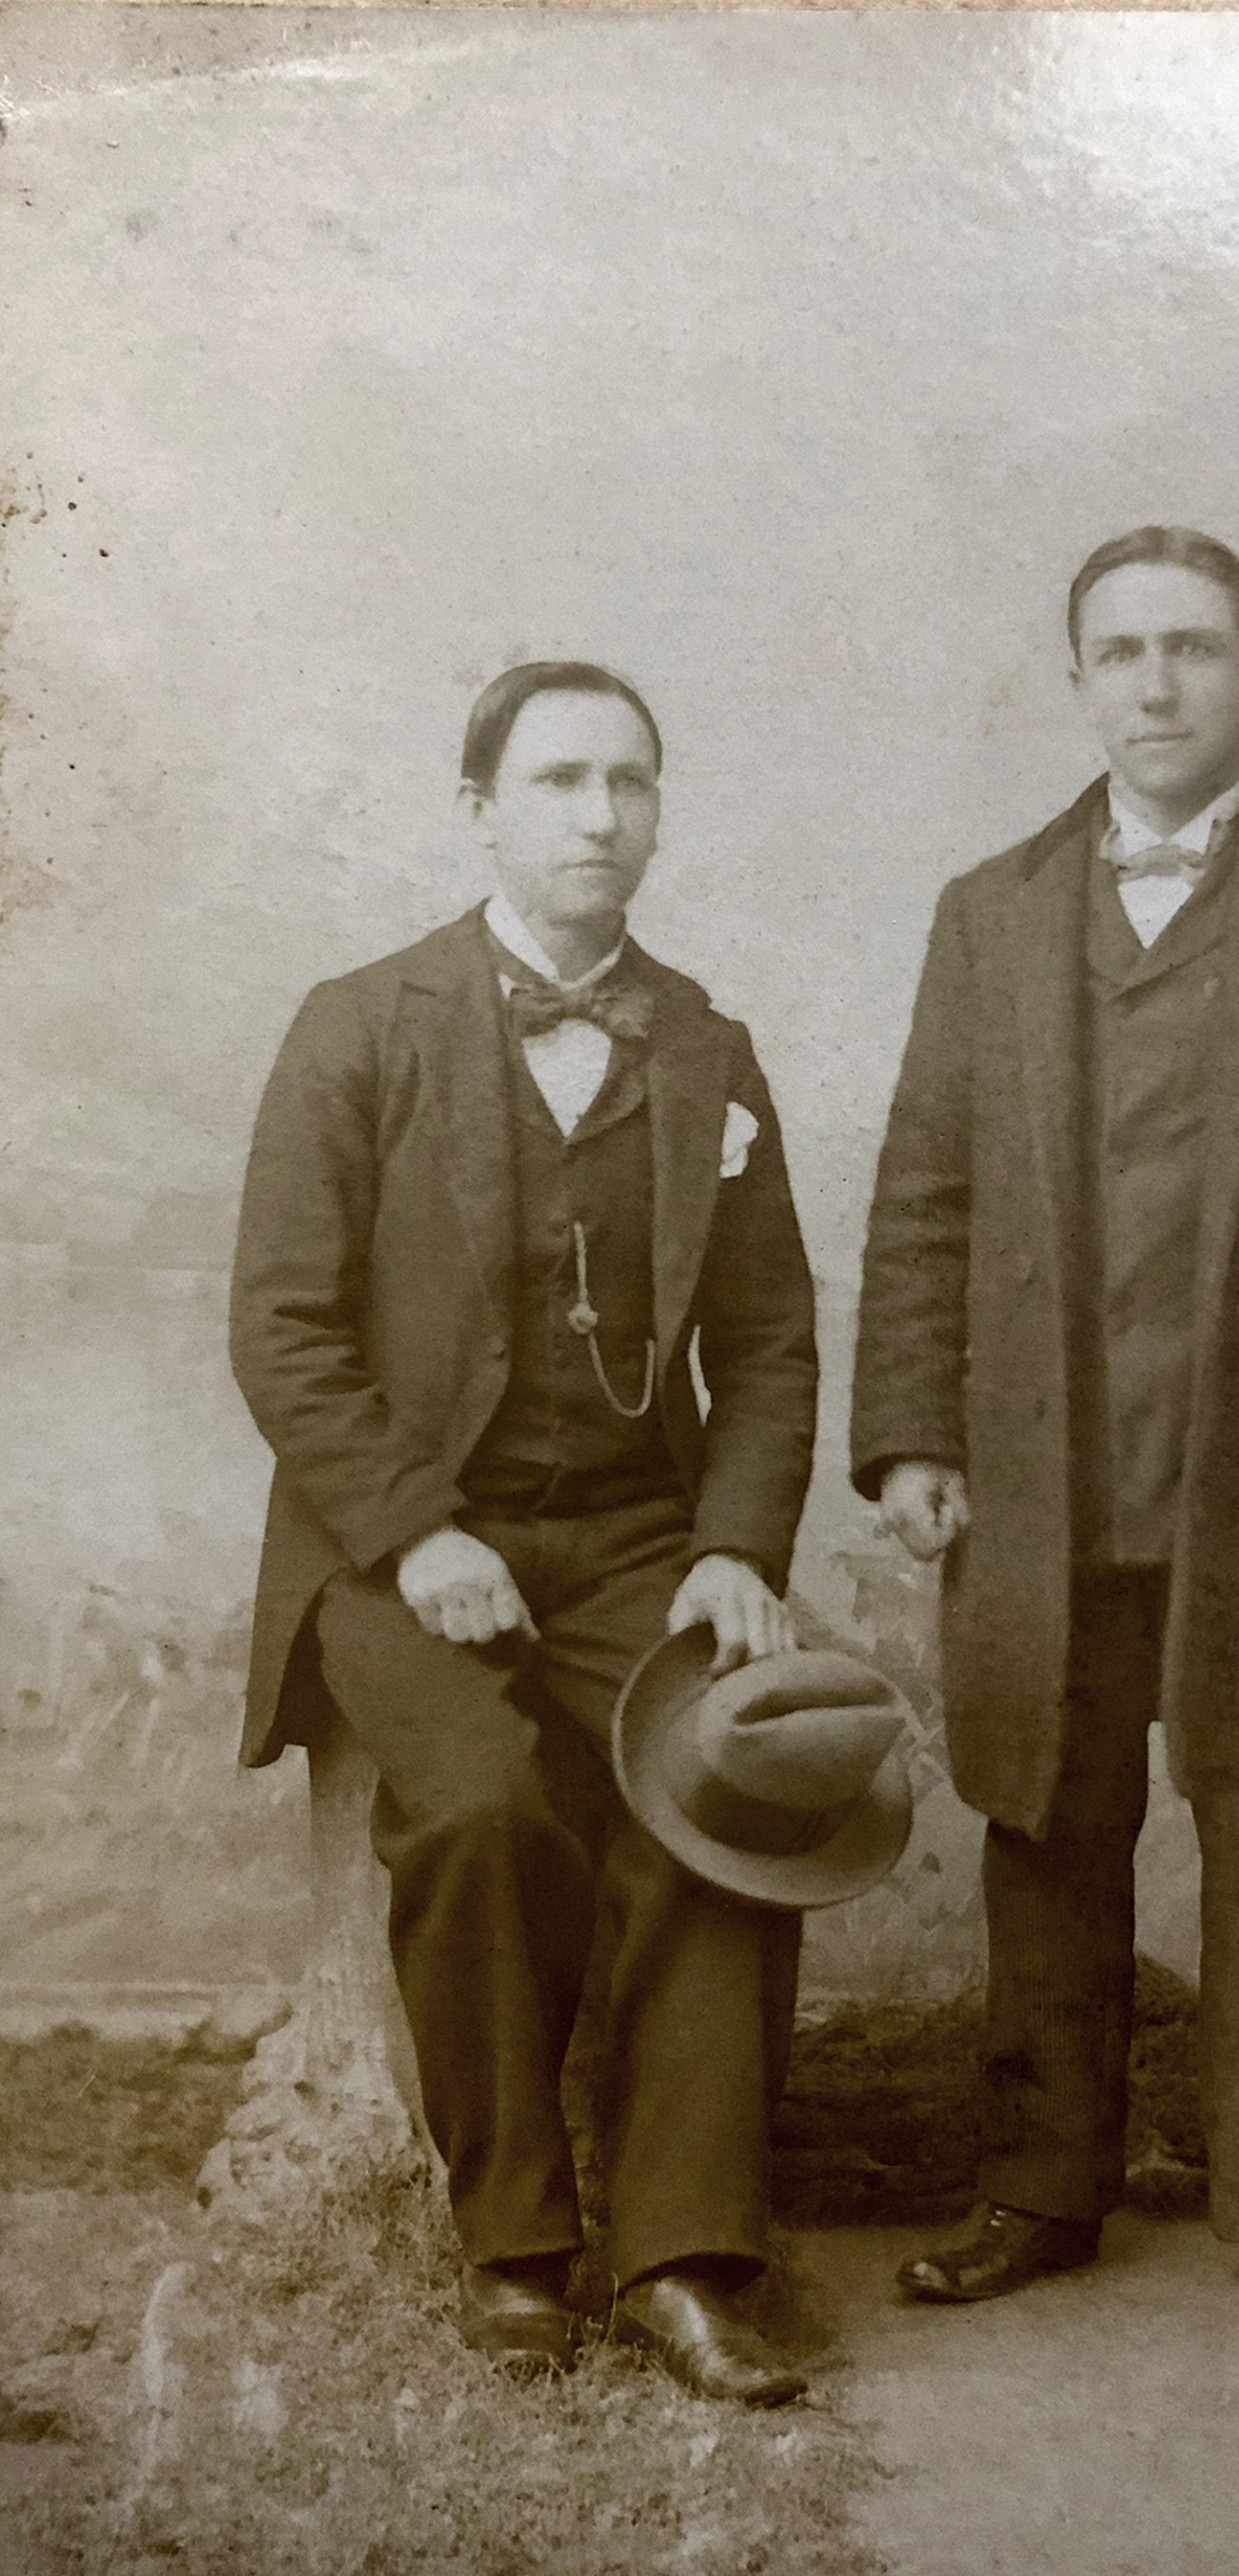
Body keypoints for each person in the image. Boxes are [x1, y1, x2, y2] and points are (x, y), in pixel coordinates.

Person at [851, 528, 1239, 2340]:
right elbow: (925, 1188)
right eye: (1120, 652)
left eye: (1196, 650)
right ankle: (1040, 2187)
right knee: (1046, 1835)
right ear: (1076, 682)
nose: (1156, 684)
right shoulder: (991, 909)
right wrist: (909, 1431)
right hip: (1043, 1475)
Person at [230, 661, 818, 2402]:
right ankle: (518, 2245)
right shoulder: (361, 1021)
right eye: (559, 780)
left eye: (631, 781)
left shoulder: (705, 1041)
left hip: (643, 1538)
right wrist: (413, 1532)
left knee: (727, 1799)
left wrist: (735, 1543)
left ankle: (689, 2256)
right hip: (402, 1549)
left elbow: (773, 1336)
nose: (599, 815)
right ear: (478, 804)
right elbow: (280, 1325)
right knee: (484, 1813)